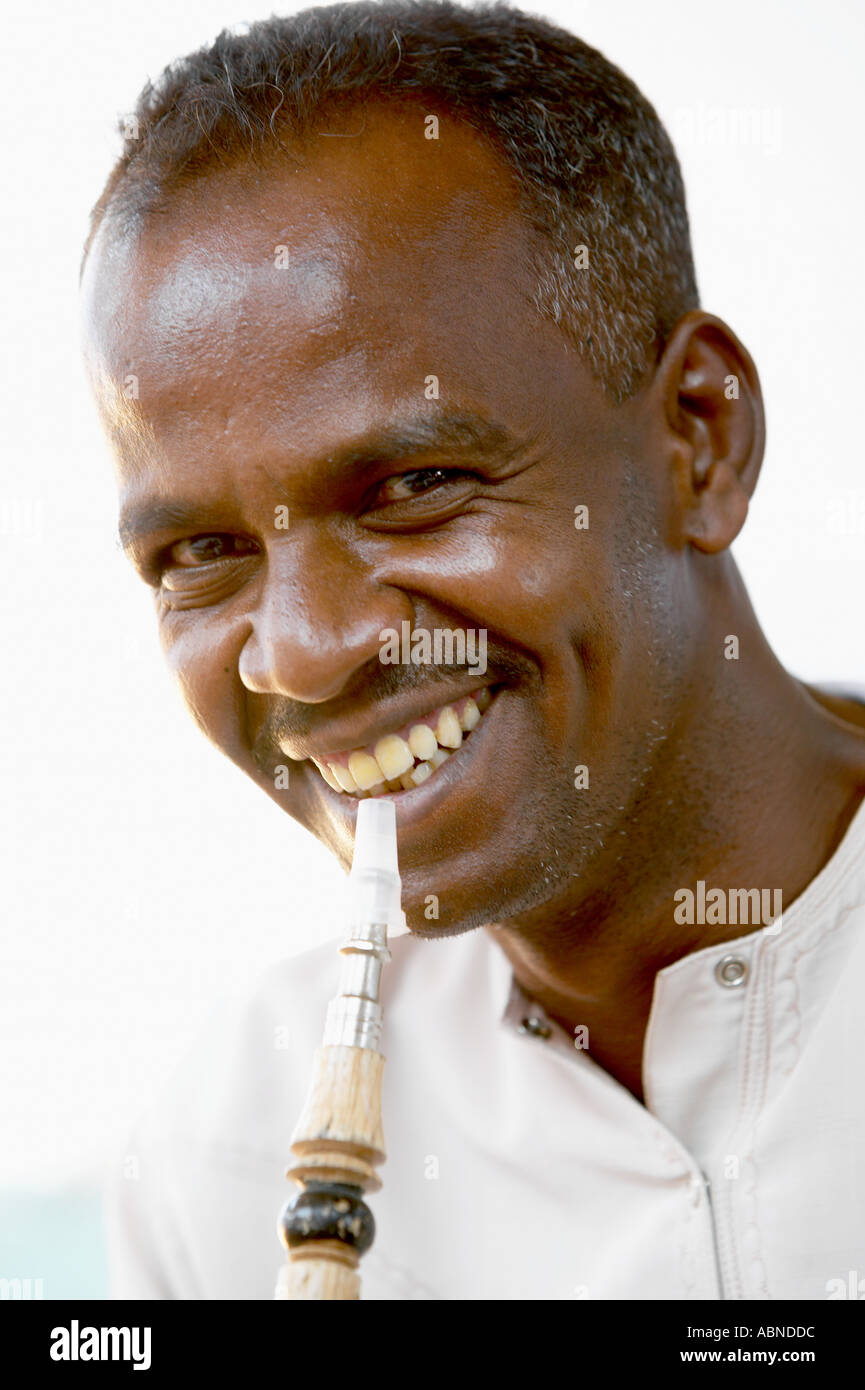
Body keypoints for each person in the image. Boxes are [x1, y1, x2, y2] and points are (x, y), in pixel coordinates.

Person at [81, 0, 865, 1299]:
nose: (306, 655)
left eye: (414, 484)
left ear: (698, 438)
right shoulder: (210, 1170)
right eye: (200, 555)